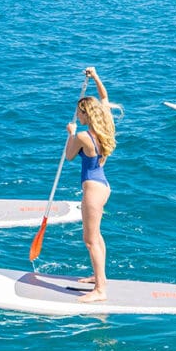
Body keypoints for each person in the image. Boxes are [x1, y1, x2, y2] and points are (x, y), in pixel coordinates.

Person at [66, 66, 116, 303]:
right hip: (103, 185)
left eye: (79, 113)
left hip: (93, 191)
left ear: (86, 115)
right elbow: (104, 97)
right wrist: (95, 77)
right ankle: (99, 278)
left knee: (90, 239)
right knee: (97, 236)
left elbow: (69, 156)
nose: (77, 116)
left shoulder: (84, 136)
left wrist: (71, 133)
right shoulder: (105, 125)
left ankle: (100, 290)